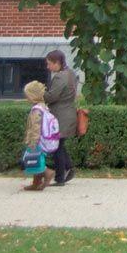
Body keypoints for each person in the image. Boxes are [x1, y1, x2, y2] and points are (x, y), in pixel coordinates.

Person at [44, 49, 78, 186]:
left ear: (57, 63)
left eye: (49, 64)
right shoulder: (71, 73)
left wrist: (40, 94)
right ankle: (69, 168)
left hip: (60, 116)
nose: (48, 67)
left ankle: (60, 178)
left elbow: (52, 96)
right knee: (60, 145)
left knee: (56, 147)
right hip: (69, 113)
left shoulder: (59, 77)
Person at [22, 80, 57, 191]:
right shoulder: (43, 107)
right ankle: (36, 182)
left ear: (33, 96)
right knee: (36, 160)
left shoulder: (36, 110)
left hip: (37, 140)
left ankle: (47, 172)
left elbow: (35, 128)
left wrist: (33, 142)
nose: (26, 98)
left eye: (27, 95)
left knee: (35, 159)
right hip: (44, 139)